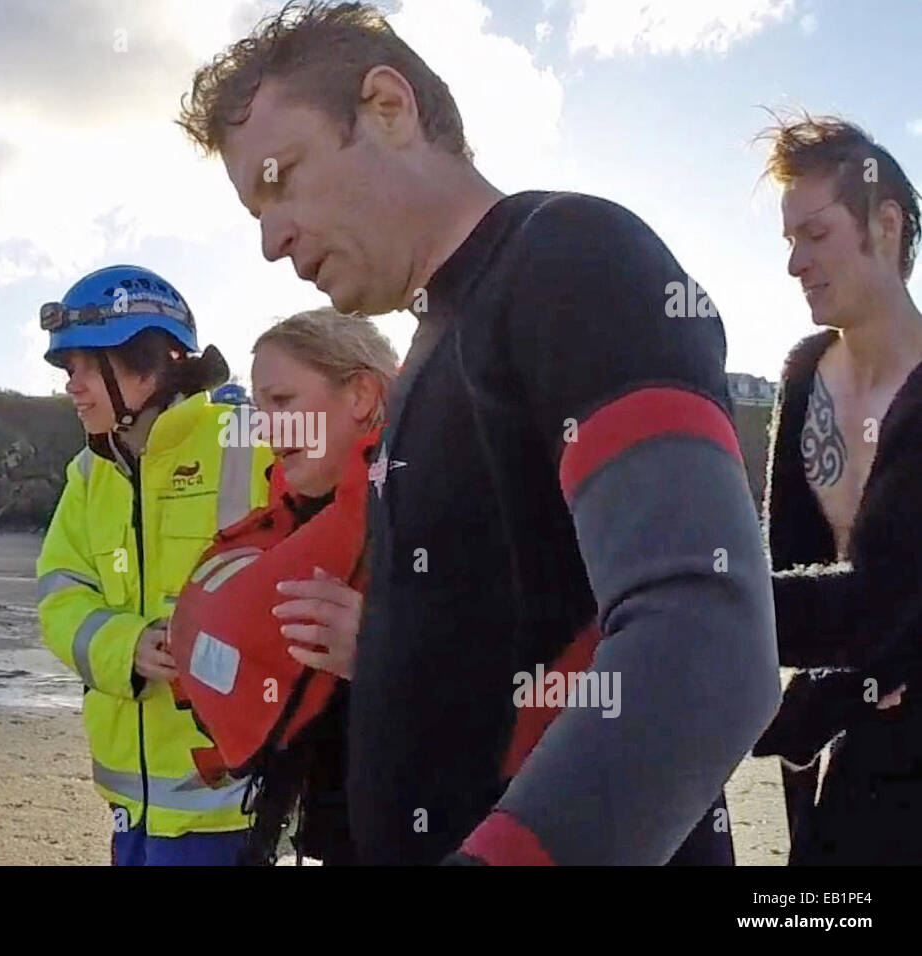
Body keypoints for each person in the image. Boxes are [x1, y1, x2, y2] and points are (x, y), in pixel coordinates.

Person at [179, 0, 779, 864]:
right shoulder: (425, 357)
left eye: (282, 179)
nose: (272, 239)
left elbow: (706, 639)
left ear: (389, 108)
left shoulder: (571, 256)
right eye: (253, 213)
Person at [34, 264, 273, 865]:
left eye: (86, 366)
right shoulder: (89, 474)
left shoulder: (253, 440)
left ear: (146, 361)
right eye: (68, 371)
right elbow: (60, 593)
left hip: (234, 800)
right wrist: (127, 646)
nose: (73, 386)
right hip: (130, 804)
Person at [749, 113, 922, 864]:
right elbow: (781, 557)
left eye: (814, 236)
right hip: (820, 739)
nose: (794, 263)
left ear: (884, 226)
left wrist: (695, 606)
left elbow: (886, 601)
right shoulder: (803, 371)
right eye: (789, 239)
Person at [168, 308, 396, 864]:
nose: (263, 428)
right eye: (258, 409)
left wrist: (384, 653)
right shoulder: (305, 519)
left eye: (282, 402)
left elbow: (541, 689)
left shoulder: (443, 506)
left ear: (361, 394)